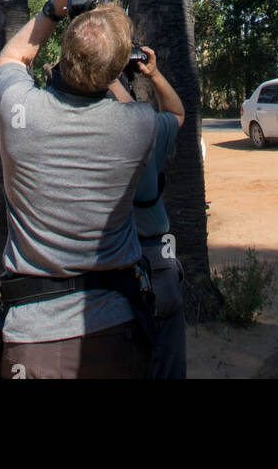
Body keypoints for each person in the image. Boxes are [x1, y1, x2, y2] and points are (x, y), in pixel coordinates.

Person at [0, 0, 178, 379]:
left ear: (63, 56)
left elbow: (11, 59)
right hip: (115, 334)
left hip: (30, 340)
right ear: (116, 68)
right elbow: (175, 116)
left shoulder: (20, 113)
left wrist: (53, 9)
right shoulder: (139, 125)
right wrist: (141, 73)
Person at [110, 52, 187, 379]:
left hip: (105, 268)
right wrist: (152, 74)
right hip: (154, 263)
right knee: (167, 366)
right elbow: (176, 112)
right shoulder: (148, 128)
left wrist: (101, 73)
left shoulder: (73, 133)